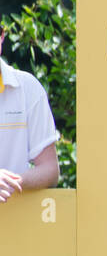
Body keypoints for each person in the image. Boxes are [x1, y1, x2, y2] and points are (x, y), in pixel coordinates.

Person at [0, 35, 59, 204]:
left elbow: (50, 170)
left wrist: (12, 182)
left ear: (2, 37)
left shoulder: (28, 88)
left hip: (19, 223)